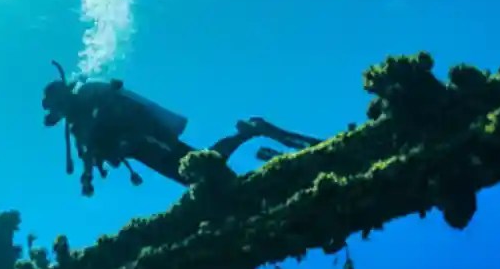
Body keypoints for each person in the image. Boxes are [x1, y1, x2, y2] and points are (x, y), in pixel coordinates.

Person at [41, 60, 321, 196]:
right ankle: (246, 136)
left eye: (57, 103)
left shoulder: (91, 94)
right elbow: (87, 153)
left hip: (149, 139)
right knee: (195, 175)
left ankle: (247, 132)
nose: (58, 111)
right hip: (143, 151)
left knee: (202, 166)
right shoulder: (77, 125)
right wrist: (87, 178)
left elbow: (123, 109)